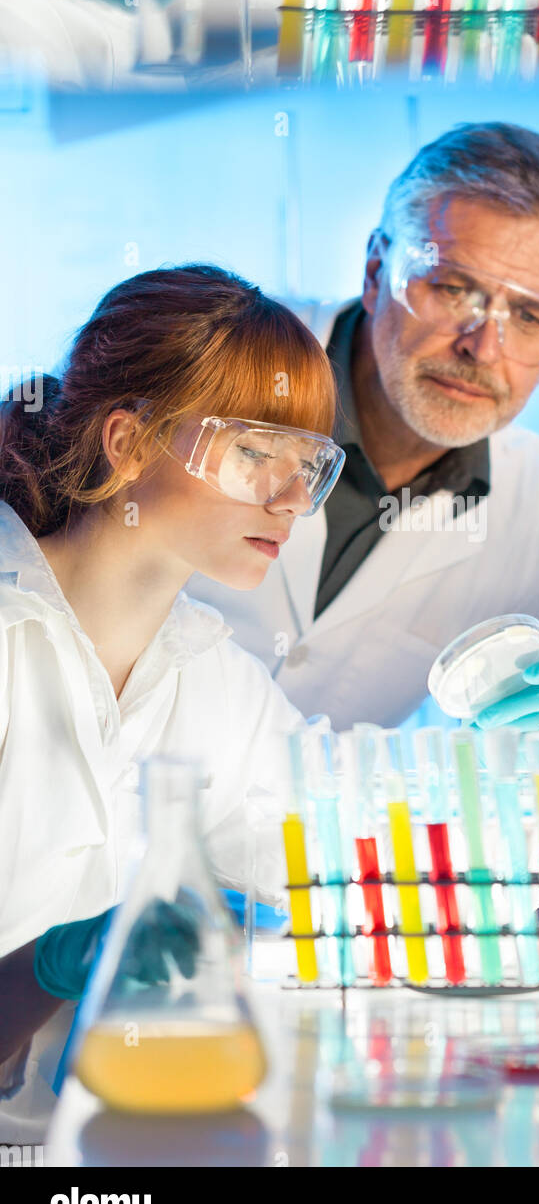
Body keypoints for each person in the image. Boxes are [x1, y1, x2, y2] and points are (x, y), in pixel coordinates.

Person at [0, 263, 344, 1140]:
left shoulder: (214, 680)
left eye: (310, 463)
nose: (293, 497)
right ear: (128, 443)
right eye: (254, 452)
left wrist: (471, 737)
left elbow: (338, 871)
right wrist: (46, 969)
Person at [190, 123, 539, 732]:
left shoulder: (531, 497)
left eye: (531, 316)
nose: (482, 348)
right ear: (376, 271)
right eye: (454, 289)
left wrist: (526, 758)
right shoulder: (213, 360)